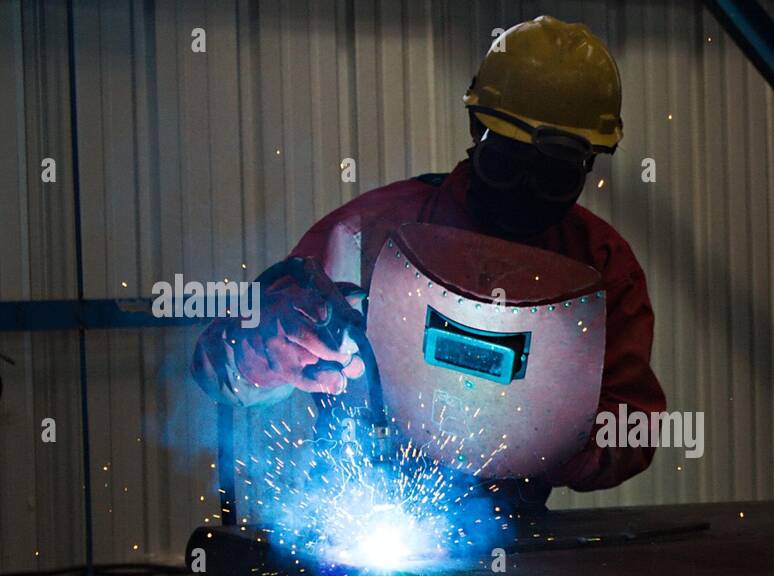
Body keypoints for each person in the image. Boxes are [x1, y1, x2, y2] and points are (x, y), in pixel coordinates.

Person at [192, 15, 665, 502]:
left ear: (589, 164)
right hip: (357, 515)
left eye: (553, 175)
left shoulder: (602, 266)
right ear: (475, 128)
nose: (525, 190)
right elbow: (215, 373)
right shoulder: (367, 234)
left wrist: (545, 437)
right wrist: (261, 352)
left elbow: (634, 430)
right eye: (507, 164)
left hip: (517, 543)